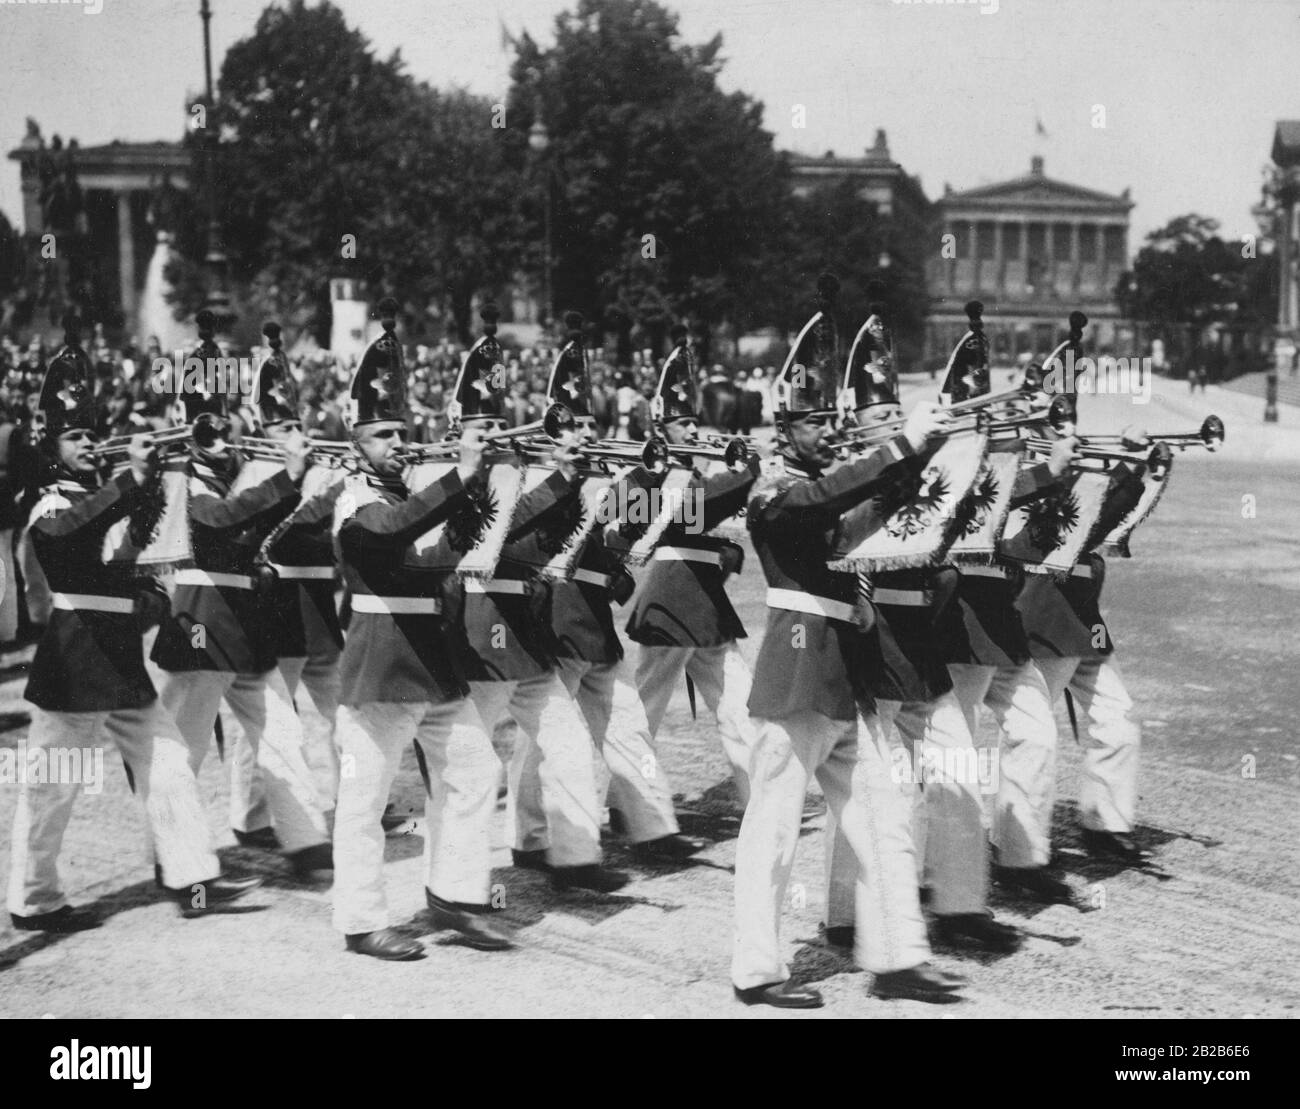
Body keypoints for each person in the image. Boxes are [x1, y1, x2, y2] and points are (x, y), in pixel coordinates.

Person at [733, 275, 965, 1008]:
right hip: (799, 669)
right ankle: (756, 970)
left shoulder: (815, 486)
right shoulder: (769, 489)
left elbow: (845, 531)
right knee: (772, 830)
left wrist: (905, 479)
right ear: (782, 424)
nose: (828, 430)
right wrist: (901, 444)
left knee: (885, 813)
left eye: (831, 419)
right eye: (812, 421)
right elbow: (820, 508)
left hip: (841, 677)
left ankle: (898, 954)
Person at [8, 311, 259, 931]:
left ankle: (191, 879)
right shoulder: (49, 500)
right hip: (72, 656)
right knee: (52, 791)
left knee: (170, 766)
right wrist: (130, 480)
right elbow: (66, 541)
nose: (88, 443)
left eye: (91, 432)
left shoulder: (107, 494)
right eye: (73, 437)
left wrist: (150, 488)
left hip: (118, 655)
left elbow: (132, 562)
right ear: (50, 446)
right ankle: (34, 901)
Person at [824, 301, 1022, 953]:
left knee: (959, 773)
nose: (885, 429)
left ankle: (961, 904)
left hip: (924, 651)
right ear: (855, 429)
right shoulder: (846, 482)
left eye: (892, 418)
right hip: (870, 646)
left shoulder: (918, 470)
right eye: (875, 420)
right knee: (877, 789)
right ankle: (848, 916)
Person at [330, 298, 513, 960]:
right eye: (383, 435)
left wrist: (479, 490)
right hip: (378, 667)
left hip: (432, 665)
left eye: (403, 432)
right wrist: (459, 479)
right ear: (355, 443)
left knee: (474, 767)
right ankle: (361, 919)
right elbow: (384, 539)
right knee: (364, 798)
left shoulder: (412, 497)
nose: (399, 443)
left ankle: (455, 894)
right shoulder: (354, 499)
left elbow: (429, 558)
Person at [150, 310, 333, 880]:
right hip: (202, 619)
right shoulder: (178, 477)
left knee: (282, 733)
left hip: (245, 622)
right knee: (183, 749)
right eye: (208, 428)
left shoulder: (234, 471)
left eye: (225, 426)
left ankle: (306, 842)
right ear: (186, 429)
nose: (221, 438)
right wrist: (287, 479)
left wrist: (291, 480)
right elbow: (222, 523)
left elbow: (254, 529)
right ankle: (174, 861)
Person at [946, 314, 1085, 906]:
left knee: (1036, 735)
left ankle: (1020, 857)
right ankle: (941, 876)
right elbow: (976, 504)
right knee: (952, 756)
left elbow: (1019, 530)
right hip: (956, 622)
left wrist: (1063, 472)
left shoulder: (1002, 460)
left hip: (999, 622)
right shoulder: (946, 465)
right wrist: (1043, 470)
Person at [626, 324, 763, 805]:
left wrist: (728, 550)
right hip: (672, 597)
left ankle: (760, 800)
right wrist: (745, 475)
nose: (692, 430)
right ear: (659, 429)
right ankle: (633, 806)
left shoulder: (697, 471)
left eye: (692, 421)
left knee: (740, 705)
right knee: (644, 710)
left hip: (704, 600)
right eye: (681, 424)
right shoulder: (656, 476)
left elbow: (713, 526)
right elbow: (690, 512)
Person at [228, 322, 345, 839]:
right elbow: (272, 533)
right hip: (281, 600)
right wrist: (315, 489)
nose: (296, 436)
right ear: (260, 432)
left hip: (319, 597)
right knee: (273, 717)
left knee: (347, 714)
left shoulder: (311, 467)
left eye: (296, 425)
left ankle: (352, 796)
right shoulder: (257, 472)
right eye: (282, 430)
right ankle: (249, 815)